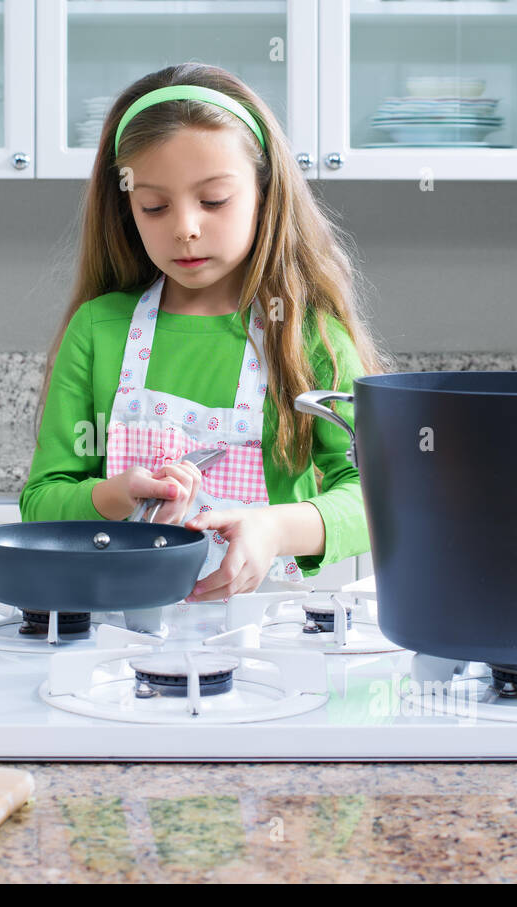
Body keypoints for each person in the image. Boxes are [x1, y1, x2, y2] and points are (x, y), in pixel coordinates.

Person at [21, 63, 392, 602]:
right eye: (154, 206)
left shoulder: (307, 337)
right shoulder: (99, 331)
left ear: (265, 193)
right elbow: (41, 503)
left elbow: (381, 498)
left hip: (270, 640)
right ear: (127, 207)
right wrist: (114, 496)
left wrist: (271, 528)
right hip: (118, 636)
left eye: (214, 199)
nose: (185, 227)